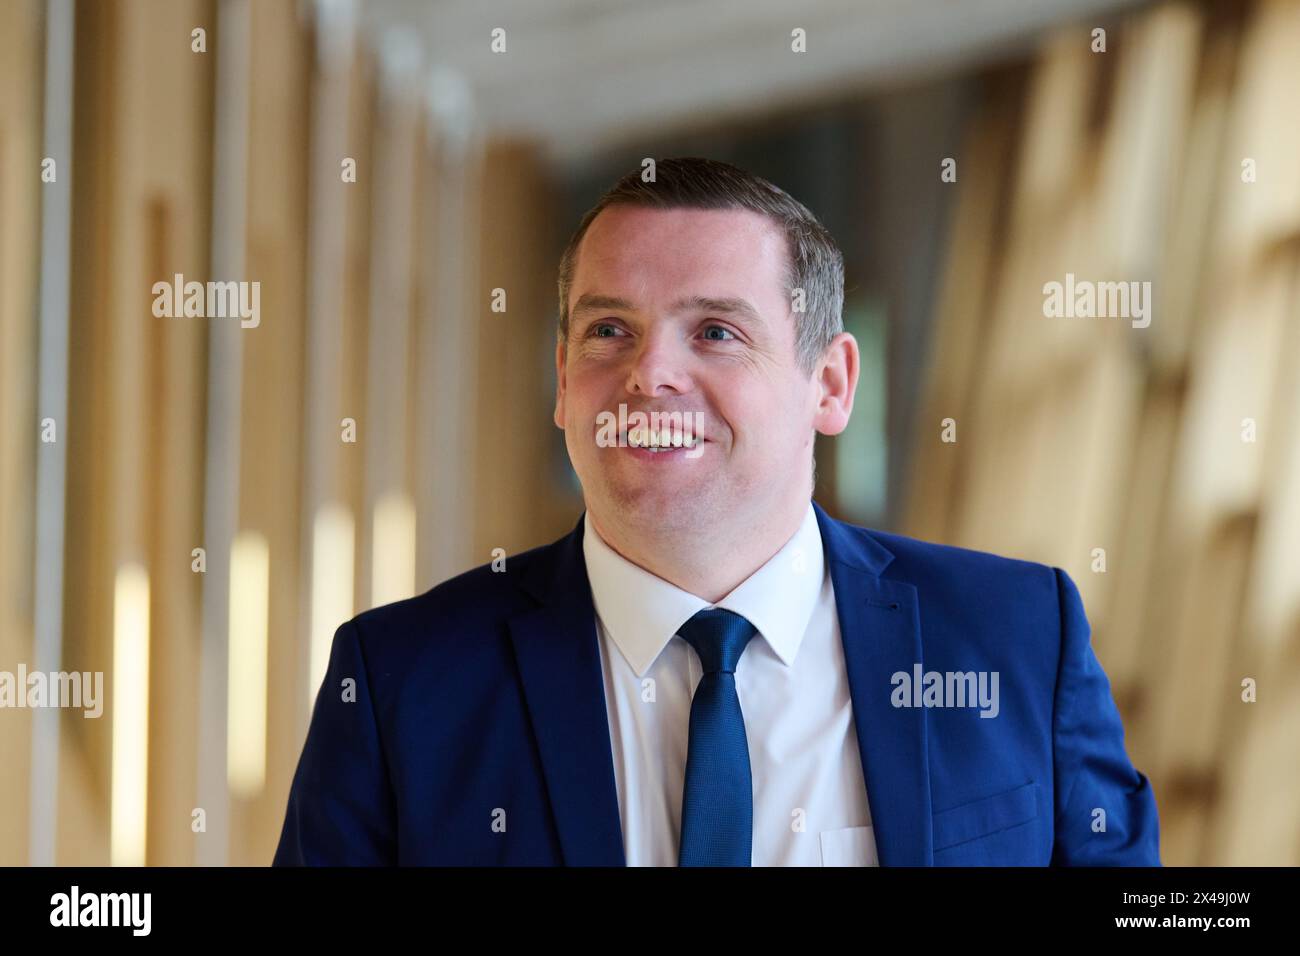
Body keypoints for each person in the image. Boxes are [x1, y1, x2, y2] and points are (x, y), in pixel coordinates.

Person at [273, 157, 1160, 866]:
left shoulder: (1013, 639)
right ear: (562, 381)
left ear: (831, 383)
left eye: (716, 333)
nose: (649, 374)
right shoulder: (402, 682)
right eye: (608, 330)